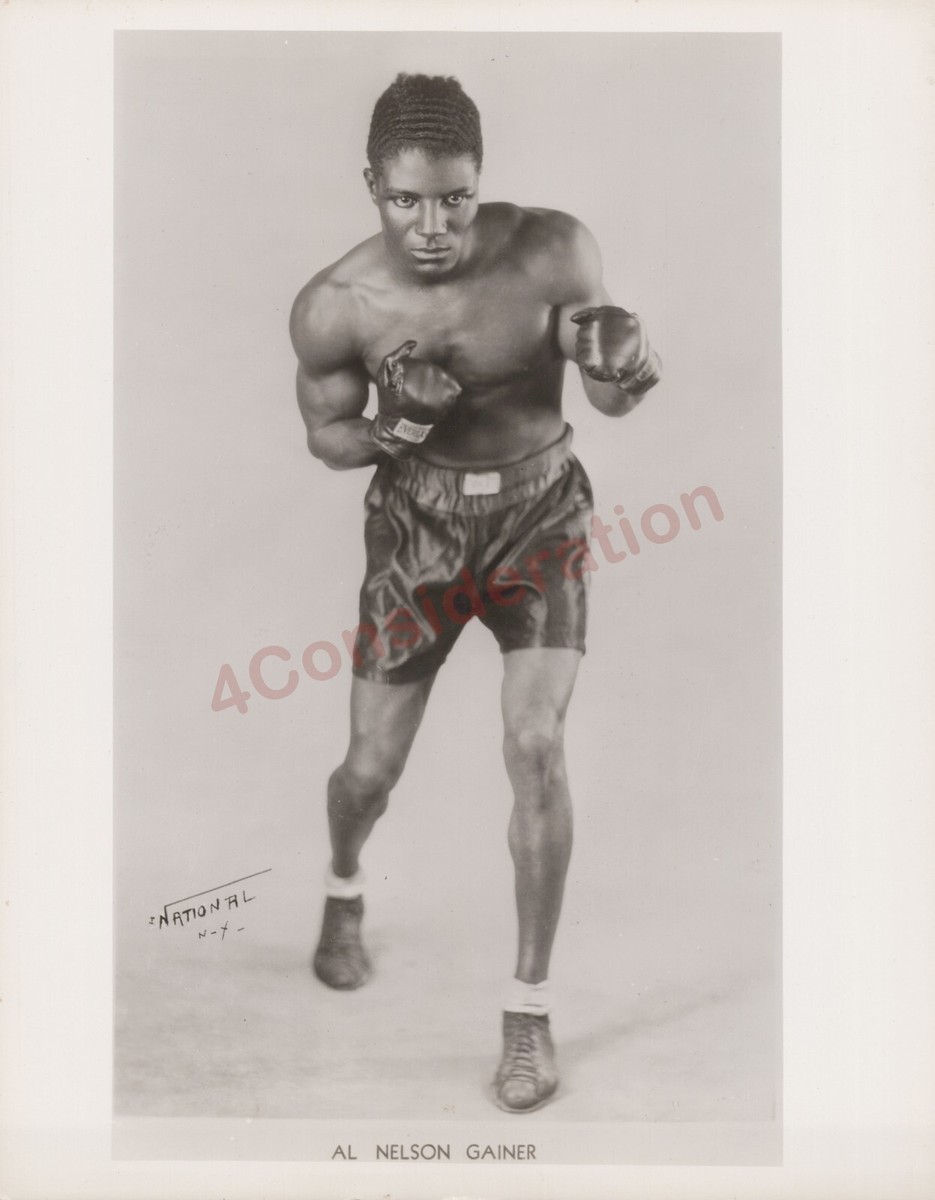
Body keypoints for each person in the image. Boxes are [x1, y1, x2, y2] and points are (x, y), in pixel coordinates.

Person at [289, 73, 661, 1114]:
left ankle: (527, 1013)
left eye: (454, 198)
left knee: (535, 746)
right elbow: (325, 439)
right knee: (368, 771)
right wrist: (396, 426)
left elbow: (608, 391)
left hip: (541, 518)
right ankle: (345, 881)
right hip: (417, 530)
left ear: (478, 181)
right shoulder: (335, 304)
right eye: (406, 200)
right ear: (372, 186)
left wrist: (629, 365)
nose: (433, 226)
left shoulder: (551, 249)